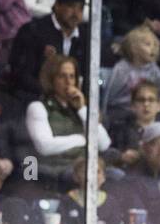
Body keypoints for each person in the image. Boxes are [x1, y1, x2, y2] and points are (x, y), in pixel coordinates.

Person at [25, 53, 111, 188]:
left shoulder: (82, 109)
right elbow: (45, 146)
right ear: (51, 79)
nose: (68, 82)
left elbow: (104, 144)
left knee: (117, 175)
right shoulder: (38, 107)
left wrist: (82, 109)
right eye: (62, 76)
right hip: (55, 169)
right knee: (84, 176)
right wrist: (83, 139)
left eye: (72, 76)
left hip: (86, 166)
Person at [8, 0, 106, 101]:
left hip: (71, 103)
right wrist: (53, 93)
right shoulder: (33, 31)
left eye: (80, 8)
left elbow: (89, 77)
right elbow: (20, 74)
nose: (76, 13)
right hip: (34, 100)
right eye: (71, 6)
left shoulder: (86, 38)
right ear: (57, 5)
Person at [107, 24, 160, 120]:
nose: (153, 48)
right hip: (122, 113)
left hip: (148, 112)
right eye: (148, 44)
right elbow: (109, 98)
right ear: (134, 48)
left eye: (155, 44)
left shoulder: (154, 70)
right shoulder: (121, 69)